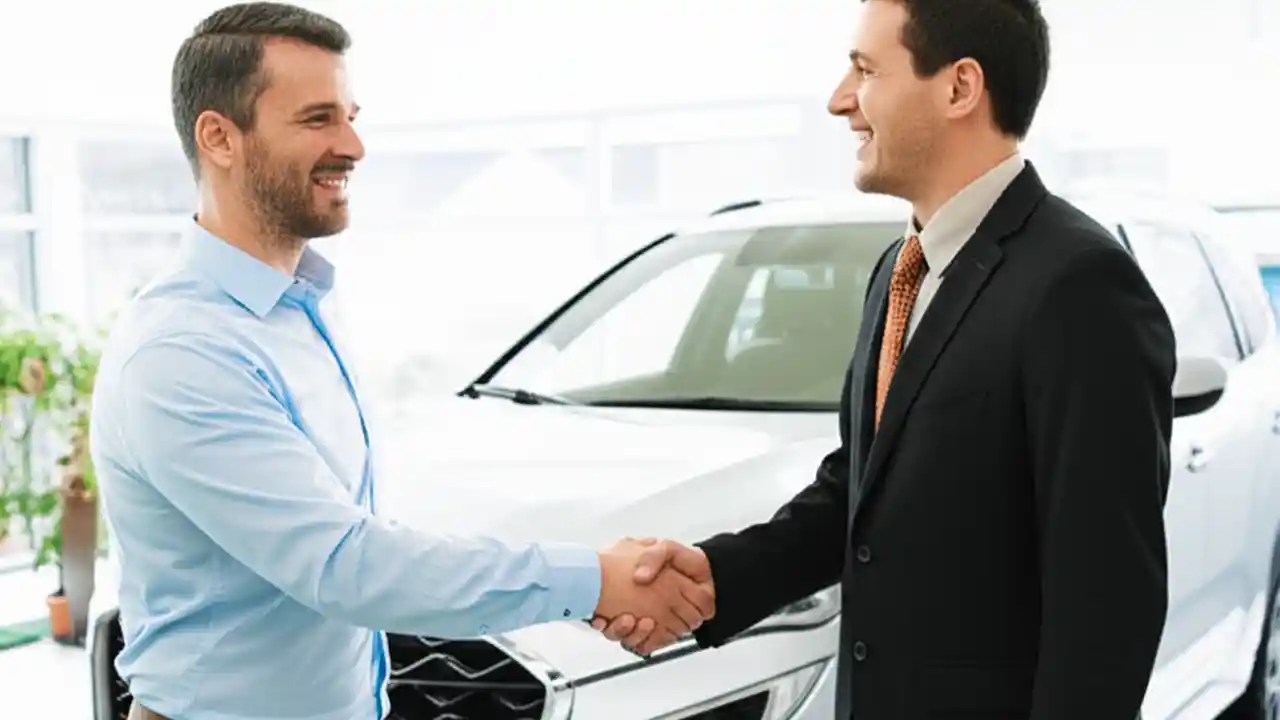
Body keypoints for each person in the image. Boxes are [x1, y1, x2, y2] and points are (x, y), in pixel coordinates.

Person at [89, 3, 711, 719]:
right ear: (220, 137)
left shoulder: (299, 311)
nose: (353, 145)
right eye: (318, 119)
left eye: (352, 115)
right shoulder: (182, 351)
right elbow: (347, 564)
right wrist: (596, 579)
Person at [596, 0, 1176, 718]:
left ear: (960, 88)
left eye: (866, 70)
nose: (840, 100)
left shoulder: (1080, 284)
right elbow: (860, 494)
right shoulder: (898, 272)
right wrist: (716, 578)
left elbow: (1107, 599)